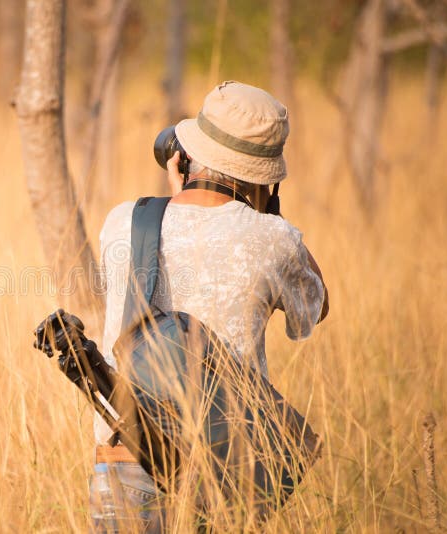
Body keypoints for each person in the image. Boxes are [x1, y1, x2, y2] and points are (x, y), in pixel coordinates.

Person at [89, 81, 329, 532]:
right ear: (264, 176)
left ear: (184, 157)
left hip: (123, 466)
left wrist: (177, 195)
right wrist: (270, 215)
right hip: (224, 472)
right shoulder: (274, 240)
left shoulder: (123, 222)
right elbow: (314, 310)